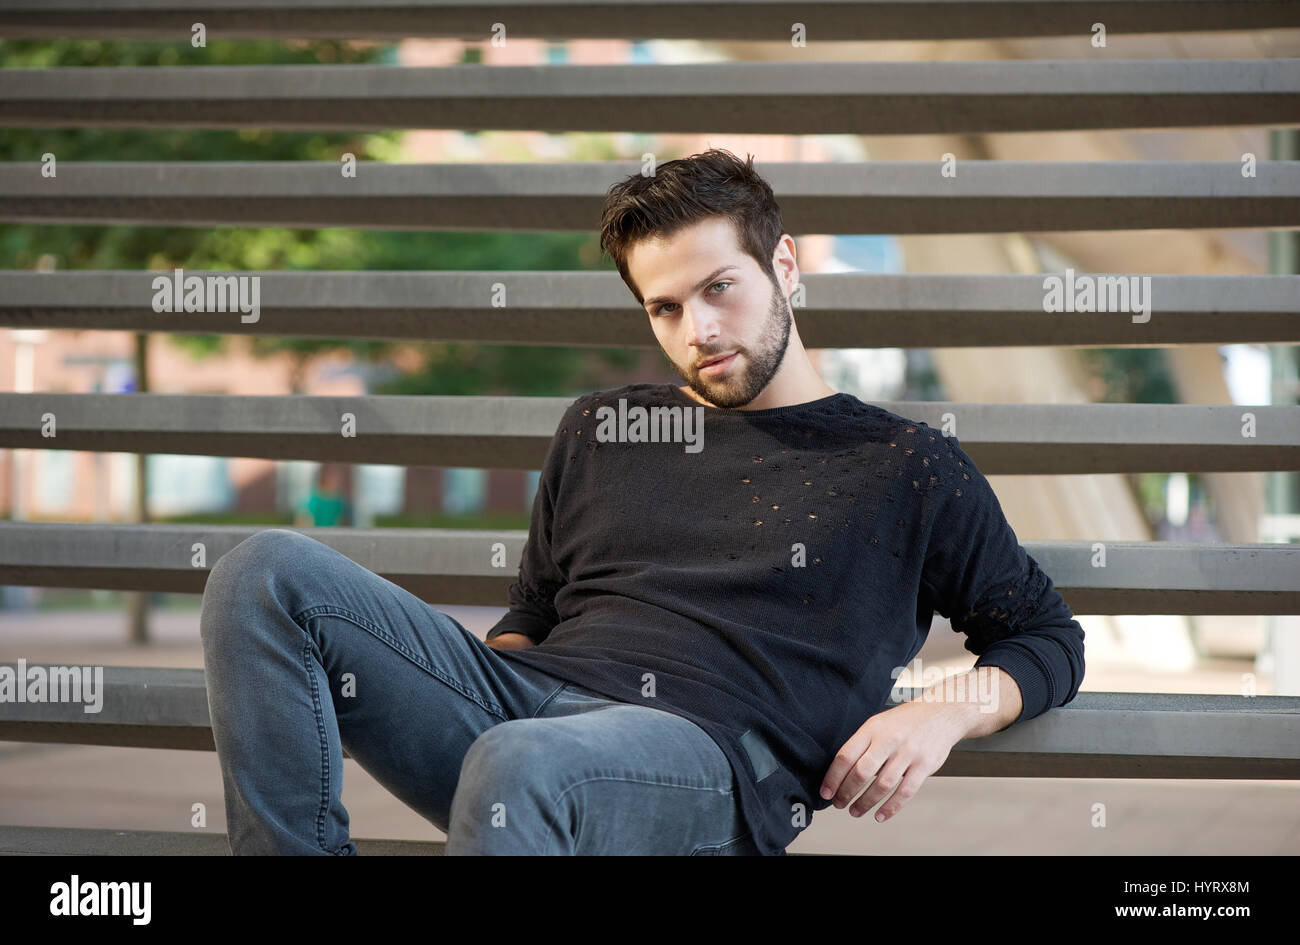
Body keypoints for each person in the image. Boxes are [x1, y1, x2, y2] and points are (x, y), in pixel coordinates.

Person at [199, 148, 1085, 855]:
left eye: (719, 288)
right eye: (665, 308)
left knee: (520, 763)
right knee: (262, 573)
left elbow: (1046, 636)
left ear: (783, 264)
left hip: (705, 762)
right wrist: (457, 692)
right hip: (530, 712)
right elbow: (535, 612)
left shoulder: (906, 466)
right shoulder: (601, 426)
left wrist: (944, 708)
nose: (697, 331)